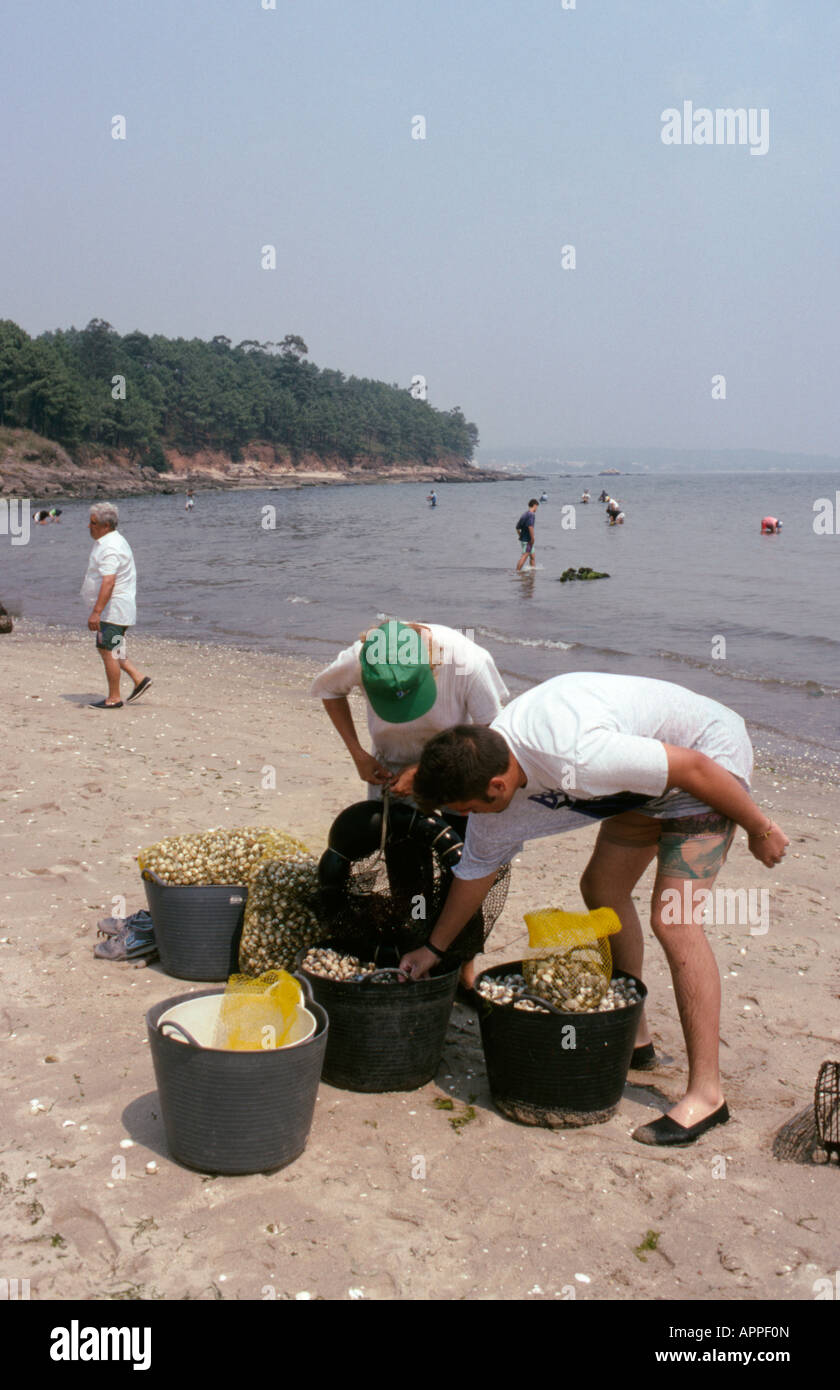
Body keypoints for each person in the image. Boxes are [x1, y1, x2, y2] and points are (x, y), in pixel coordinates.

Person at [399, 672, 790, 1147]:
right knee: (601, 888)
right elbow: (474, 872)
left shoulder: (576, 755)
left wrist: (760, 828)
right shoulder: (487, 766)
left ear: (498, 787)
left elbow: (695, 769)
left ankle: (708, 1095)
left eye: (473, 810)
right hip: (643, 782)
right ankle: (637, 1038)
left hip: (707, 763)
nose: (474, 821)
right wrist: (433, 949)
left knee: (675, 920)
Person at [312, 619, 509, 984]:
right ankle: (415, 949)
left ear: (431, 667)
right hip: (392, 768)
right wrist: (358, 754)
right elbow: (329, 690)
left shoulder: (468, 663)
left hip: (459, 773)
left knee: (463, 871)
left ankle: (463, 970)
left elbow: (494, 734)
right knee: (407, 873)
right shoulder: (365, 656)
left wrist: (424, 772)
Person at [81, 502, 151, 709]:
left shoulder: (110, 547)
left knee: (108, 649)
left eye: (93, 523)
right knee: (113, 646)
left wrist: (96, 612)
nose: (88, 526)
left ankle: (114, 698)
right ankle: (138, 678)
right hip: (117, 609)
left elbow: (109, 581)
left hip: (113, 610)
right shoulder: (109, 541)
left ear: (106, 525)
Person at [515, 499, 539, 572]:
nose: (537, 509)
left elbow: (517, 527)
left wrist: (520, 536)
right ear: (534, 505)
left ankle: (533, 572)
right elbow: (530, 527)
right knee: (525, 556)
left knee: (532, 556)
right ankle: (517, 571)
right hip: (528, 540)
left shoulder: (524, 514)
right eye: (537, 507)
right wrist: (532, 538)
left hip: (524, 539)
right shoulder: (531, 515)